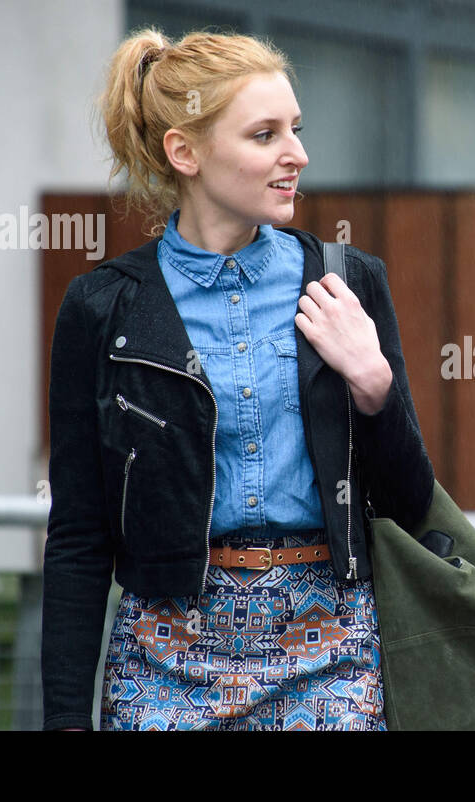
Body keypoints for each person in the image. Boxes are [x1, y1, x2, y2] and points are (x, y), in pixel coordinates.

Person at [41, 28, 433, 730]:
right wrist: (66, 719)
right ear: (184, 152)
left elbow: (409, 502)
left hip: (329, 652)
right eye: (264, 134)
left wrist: (375, 385)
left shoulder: (347, 282)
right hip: (164, 655)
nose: (298, 154)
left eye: (296, 129)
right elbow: (78, 534)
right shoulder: (103, 308)